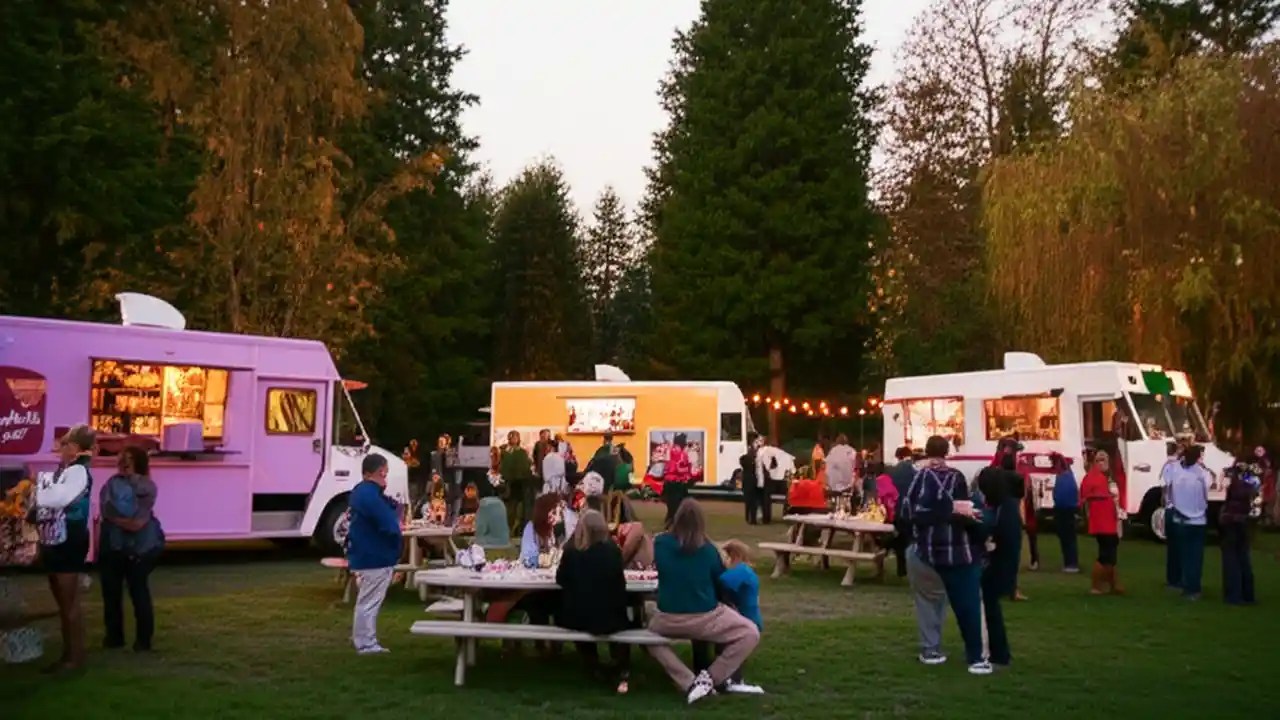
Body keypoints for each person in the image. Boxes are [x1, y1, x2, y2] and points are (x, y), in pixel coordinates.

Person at [646, 499, 761, 704]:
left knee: (649, 638)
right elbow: (720, 582)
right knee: (750, 632)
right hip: (706, 617)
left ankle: (689, 680)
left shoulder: (661, 544)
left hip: (668, 618)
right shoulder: (709, 551)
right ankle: (710, 678)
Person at [899, 435, 991, 675]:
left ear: (927, 452)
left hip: (926, 550)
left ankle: (931, 650)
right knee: (968, 605)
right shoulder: (957, 477)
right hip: (956, 551)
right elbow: (966, 510)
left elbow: (906, 512)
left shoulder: (919, 477)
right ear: (947, 451)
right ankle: (976, 657)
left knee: (928, 602)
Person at [30, 425, 96, 673]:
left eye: (66, 444)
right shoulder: (66, 471)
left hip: (70, 539)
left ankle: (74, 657)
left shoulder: (78, 471)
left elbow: (56, 499)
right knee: (63, 601)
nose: (61, 448)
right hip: (58, 538)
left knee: (69, 603)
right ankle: (70, 654)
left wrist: (37, 492)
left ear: (77, 449)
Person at [555, 510, 634, 694]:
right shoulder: (612, 552)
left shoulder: (572, 552)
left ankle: (592, 663)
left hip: (578, 618)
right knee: (624, 617)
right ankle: (620, 665)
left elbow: (560, 579)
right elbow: (620, 584)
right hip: (610, 618)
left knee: (576, 611)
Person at [99, 446, 164, 652]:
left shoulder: (147, 487)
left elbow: (137, 523)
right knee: (111, 593)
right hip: (113, 545)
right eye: (121, 459)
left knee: (138, 590)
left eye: (128, 459)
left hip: (141, 547)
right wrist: (120, 520)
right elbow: (105, 510)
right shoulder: (111, 483)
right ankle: (114, 637)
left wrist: (115, 519)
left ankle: (143, 641)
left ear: (138, 462)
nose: (123, 463)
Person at [347, 454, 402, 654]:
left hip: (365, 555)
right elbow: (389, 524)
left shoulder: (361, 493)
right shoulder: (370, 496)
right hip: (375, 557)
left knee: (366, 600)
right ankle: (366, 643)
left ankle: (361, 636)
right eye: (385, 473)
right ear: (381, 471)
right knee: (369, 602)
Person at [697, 540, 764, 695]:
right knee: (725, 647)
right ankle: (723, 677)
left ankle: (732, 680)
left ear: (733, 556)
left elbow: (722, 583)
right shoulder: (744, 571)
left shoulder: (741, 571)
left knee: (732, 648)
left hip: (746, 618)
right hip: (744, 617)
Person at [975, 447, 1016, 666]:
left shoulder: (1001, 510)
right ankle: (996, 650)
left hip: (998, 564)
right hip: (1002, 562)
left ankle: (998, 652)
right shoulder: (1006, 506)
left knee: (991, 609)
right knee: (991, 609)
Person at [1166, 445, 1212, 600]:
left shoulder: (1175, 471)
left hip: (1181, 518)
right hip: (1198, 520)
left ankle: (1186, 585)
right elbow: (1207, 492)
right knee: (1195, 557)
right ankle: (1193, 588)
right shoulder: (1202, 474)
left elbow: (1169, 490)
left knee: (1184, 556)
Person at [1080, 449, 1124, 595]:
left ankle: (1113, 584)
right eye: (1099, 459)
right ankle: (1096, 586)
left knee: (1111, 553)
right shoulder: (1093, 477)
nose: (1102, 462)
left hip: (1111, 519)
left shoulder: (1109, 477)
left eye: (1104, 459)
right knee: (1106, 554)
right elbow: (1085, 497)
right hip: (1102, 521)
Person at [1220, 460, 1258, 605]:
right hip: (1244, 522)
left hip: (1231, 522)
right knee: (1244, 559)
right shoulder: (1252, 484)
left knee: (1231, 559)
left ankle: (1233, 594)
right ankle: (1248, 594)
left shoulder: (1234, 484)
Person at [1049, 452, 1079, 573]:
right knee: (1067, 537)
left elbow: (1061, 496)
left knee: (1067, 537)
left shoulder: (1064, 477)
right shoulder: (1066, 476)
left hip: (1064, 510)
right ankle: (1069, 562)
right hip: (1066, 509)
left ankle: (1071, 563)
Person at [500, 431, 534, 534]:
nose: (513, 439)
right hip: (510, 483)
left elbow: (527, 465)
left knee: (520, 508)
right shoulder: (505, 451)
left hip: (521, 483)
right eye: (511, 437)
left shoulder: (522, 452)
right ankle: (509, 528)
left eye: (515, 437)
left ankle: (516, 528)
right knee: (510, 508)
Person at [1160, 441, 1183, 590]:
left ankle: (1172, 579)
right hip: (1179, 509)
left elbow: (1164, 487)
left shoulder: (1167, 467)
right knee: (1180, 548)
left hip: (1170, 508)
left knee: (1172, 548)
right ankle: (1179, 579)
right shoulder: (1180, 468)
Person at [661, 433, 693, 528]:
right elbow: (680, 469)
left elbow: (667, 466)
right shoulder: (682, 455)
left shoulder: (670, 452)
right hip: (677, 483)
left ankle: (670, 521)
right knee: (678, 505)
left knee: (672, 505)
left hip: (670, 482)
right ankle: (674, 522)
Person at [755, 438, 785, 524]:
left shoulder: (762, 452)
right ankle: (766, 517)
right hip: (768, 478)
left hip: (764, 477)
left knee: (764, 499)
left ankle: (765, 517)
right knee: (766, 499)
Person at [739, 432, 763, 524]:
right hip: (752, 480)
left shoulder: (748, 454)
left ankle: (748, 517)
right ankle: (752, 519)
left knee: (748, 500)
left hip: (747, 480)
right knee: (753, 501)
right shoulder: (752, 455)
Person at [825, 434, 856, 499]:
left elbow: (826, 466)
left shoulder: (833, 451)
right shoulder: (852, 451)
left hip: (832, 487)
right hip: (847, 487)